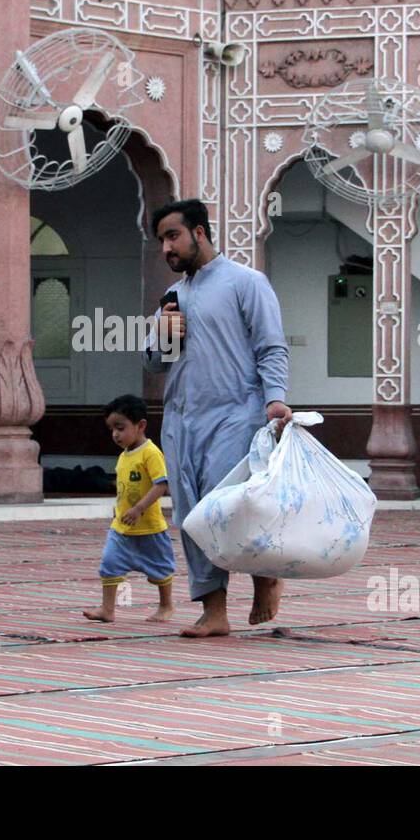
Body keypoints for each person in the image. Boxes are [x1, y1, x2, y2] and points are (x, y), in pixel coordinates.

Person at [145, 199, 293, 638]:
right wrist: (160, 336)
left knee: (227, 509)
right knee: (190, 515)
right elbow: (154, 364)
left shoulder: (246, 282)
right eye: (161, 241)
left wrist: (275, 400)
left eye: (173, 236)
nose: (167, 248)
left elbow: (272, 346)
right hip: (180, 420)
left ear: (200, 233)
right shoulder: (171, 300)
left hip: (235, 414)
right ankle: (214, 610)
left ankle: (265, 575)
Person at [83, 395, 175, 623]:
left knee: (161, 569)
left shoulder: (150, 453)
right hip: (122, 529)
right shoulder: (124, 456)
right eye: (112, 429)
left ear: (140, 425)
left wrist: (139, 509)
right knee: (110, 563)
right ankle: (107, 609)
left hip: (150, 529)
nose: (115, 434)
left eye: (120, 428)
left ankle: (166, 605)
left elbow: (161, 484)